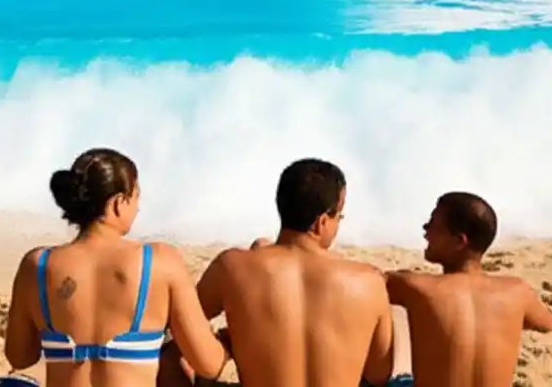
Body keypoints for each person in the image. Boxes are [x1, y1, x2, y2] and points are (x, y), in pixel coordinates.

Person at [4, 147, 229, 387]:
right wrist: (227, 342)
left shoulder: (37, 265)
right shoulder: (159, 261)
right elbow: (209, 363)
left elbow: (20, 356)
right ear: (118, 203)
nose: (138, 208)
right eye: (136, 197)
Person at [166, 158, 395, 387]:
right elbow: (378, 373)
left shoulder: (232, 267)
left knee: (169, 353)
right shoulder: (368, 282)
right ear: (321, 222)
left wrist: (226, 343)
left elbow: (180, 324)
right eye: (339, 217)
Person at [385, 192, 552, 387]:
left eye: (432, 223)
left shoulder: (416, 287)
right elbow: (547, 323)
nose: (425, 229)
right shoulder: (517, 291)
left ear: (459, 241)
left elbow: (364, 282)